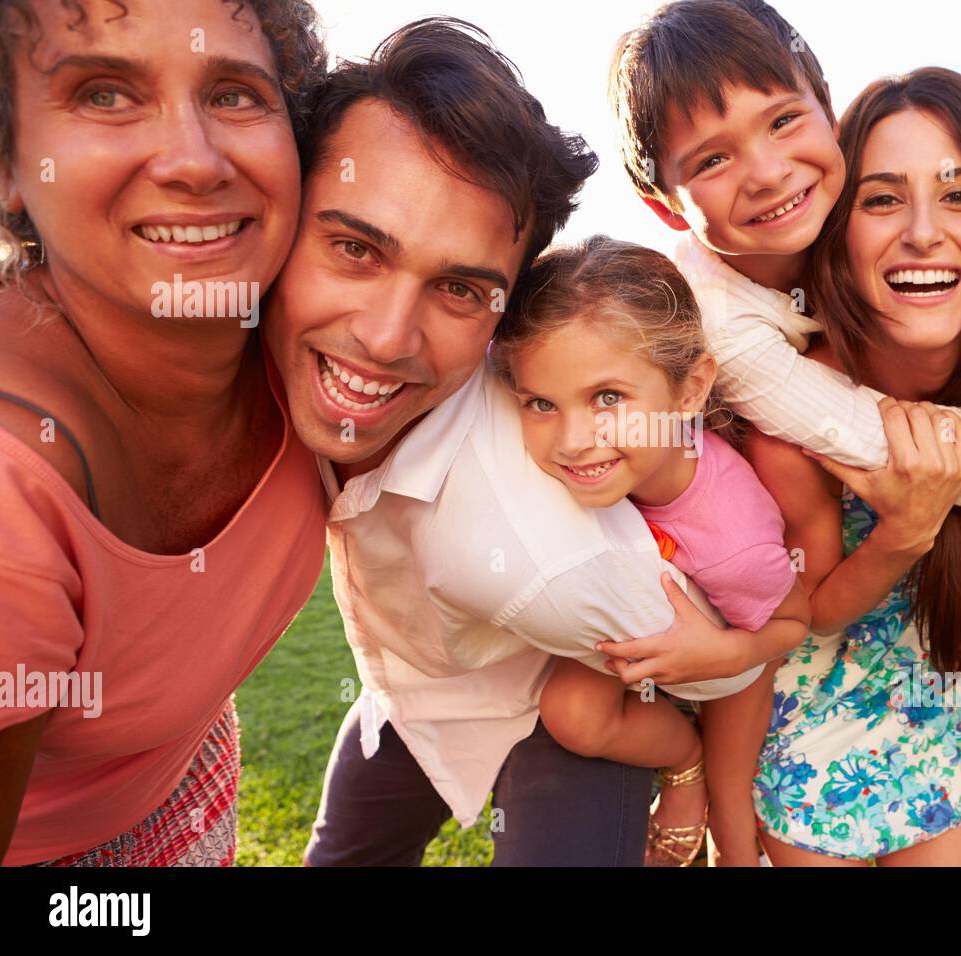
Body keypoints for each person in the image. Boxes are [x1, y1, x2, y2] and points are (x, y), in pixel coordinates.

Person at [264, 18, 771, 868]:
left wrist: (687, 761)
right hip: (418, 686)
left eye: (459, 288)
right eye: (354, 247)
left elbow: (713, 667)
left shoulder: (552, 563)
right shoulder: (252, 344)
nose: (386, 338)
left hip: (571, 708)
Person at [608, 1, 961, 865]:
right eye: (715, 157)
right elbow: (787, 624)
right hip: (800, 738)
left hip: (929, 733)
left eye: (782, 120)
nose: (766, 173)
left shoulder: (934, 301)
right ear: (667, 203)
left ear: (826, 114)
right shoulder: (735, 350)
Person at [0, 0, 329, 867]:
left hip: (190, 776)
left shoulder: (323, 348)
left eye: (233, 93)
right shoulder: (11, 497)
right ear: (9, 162)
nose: (193, 159)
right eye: (105, 94)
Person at [490, 235, 812, 866]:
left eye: (608, 398)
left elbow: (793, 621)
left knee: (728, 816)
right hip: (631, 647)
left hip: (729, 656)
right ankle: (681, 757)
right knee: (572, 713)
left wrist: (725, 653)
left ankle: (704, 788)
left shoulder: (733, 542)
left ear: (690, 391)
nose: (574, 441)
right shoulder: (572, 465)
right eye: (541, 404)